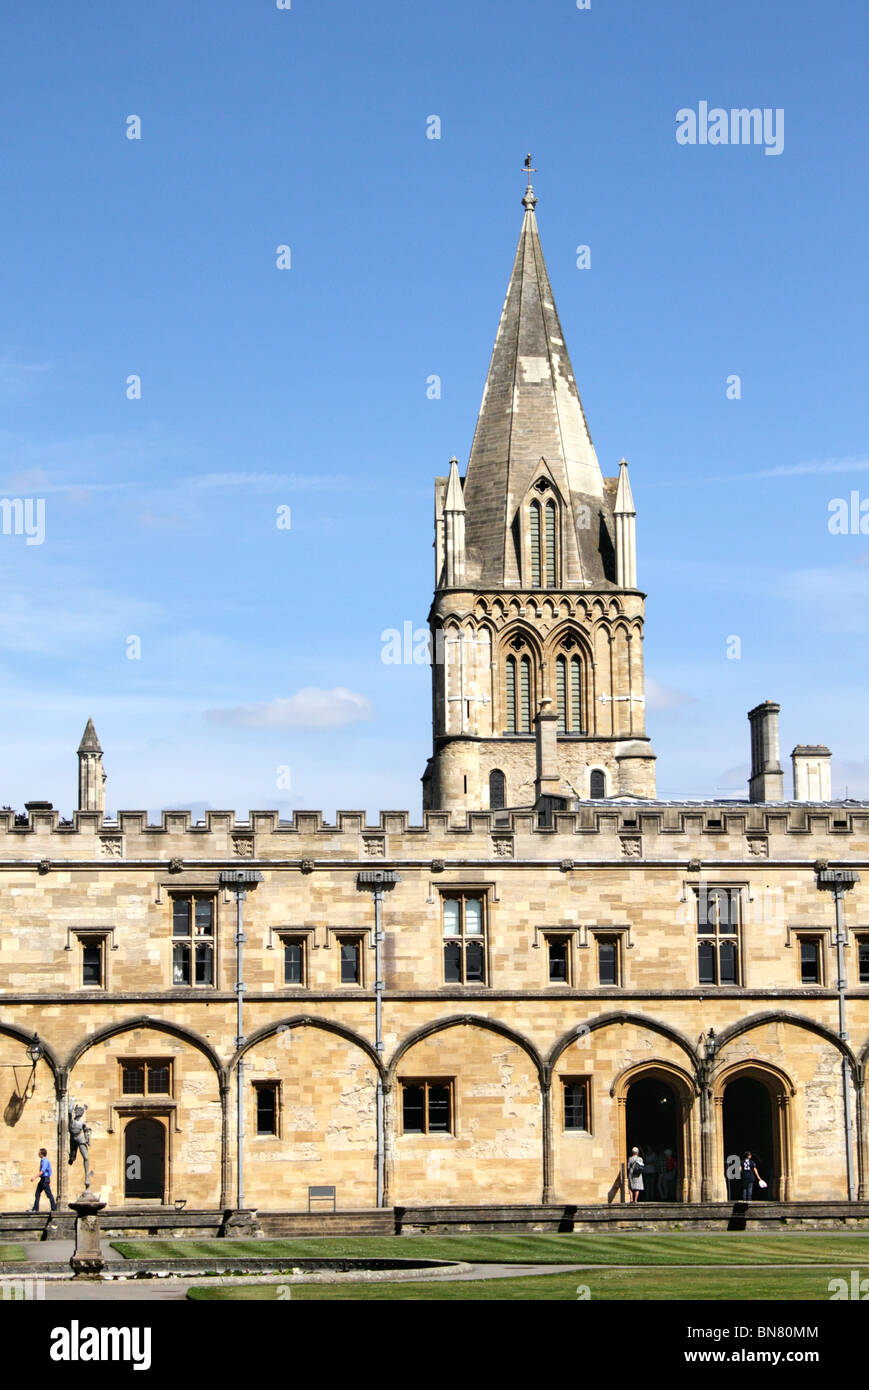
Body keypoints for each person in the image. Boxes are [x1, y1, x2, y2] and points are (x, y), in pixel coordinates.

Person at [31, 1148, 56, 1212]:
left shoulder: (45, 1161)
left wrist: (34, 1177)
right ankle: (35, 1209)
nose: (38, 1153)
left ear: (42, 1154)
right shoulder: (43, 1160)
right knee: (37, 1193)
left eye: (39, 1152)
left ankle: (54, 1208)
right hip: (43, 1179)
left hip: (45, 1180)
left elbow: (42, 1171)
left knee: (49, 1194)